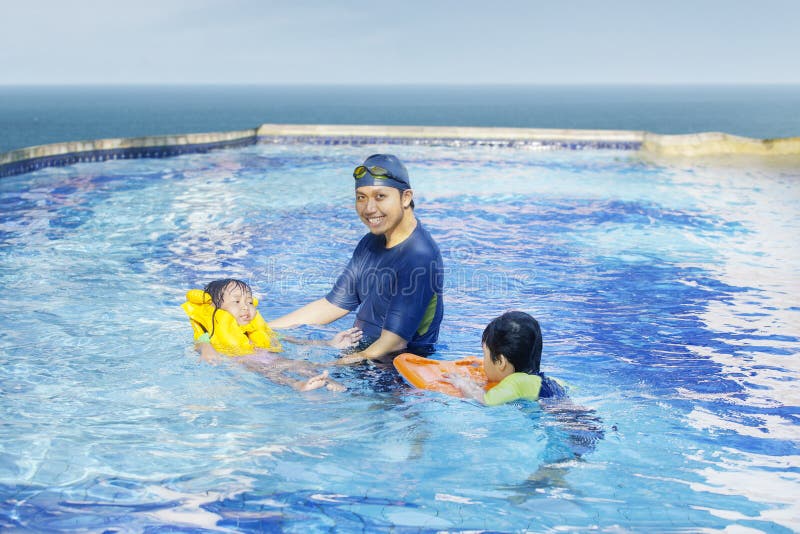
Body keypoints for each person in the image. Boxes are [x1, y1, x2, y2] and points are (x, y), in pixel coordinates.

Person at [269, 154, 444, 365]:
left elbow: (395, 342)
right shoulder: (371, 243)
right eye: (361, 197)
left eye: (380, 196)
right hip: (360, 350)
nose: (369, 208)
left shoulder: (419, 256)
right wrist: (264, 329)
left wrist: (326, 366)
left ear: (405, 198)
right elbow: (333, 305)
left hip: (395, 365)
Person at [181, 278, 361, 392]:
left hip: (270, 356)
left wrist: (329, 344)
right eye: (236, 302)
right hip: (245, 362)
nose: (245, 307)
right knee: (266, 369)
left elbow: (291, 339)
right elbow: (200, 340)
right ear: (215, 307)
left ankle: (327, 380)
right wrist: (206, 349)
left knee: (299, 364)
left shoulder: (257, 329)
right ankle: (297, 385)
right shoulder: (210, 330)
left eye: (249, 302)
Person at [447, 311, 565, 405]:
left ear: (500, 362)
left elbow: (485, 401)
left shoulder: (516, 382)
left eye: (484, 354)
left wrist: (464, 385)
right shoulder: (548, 382)